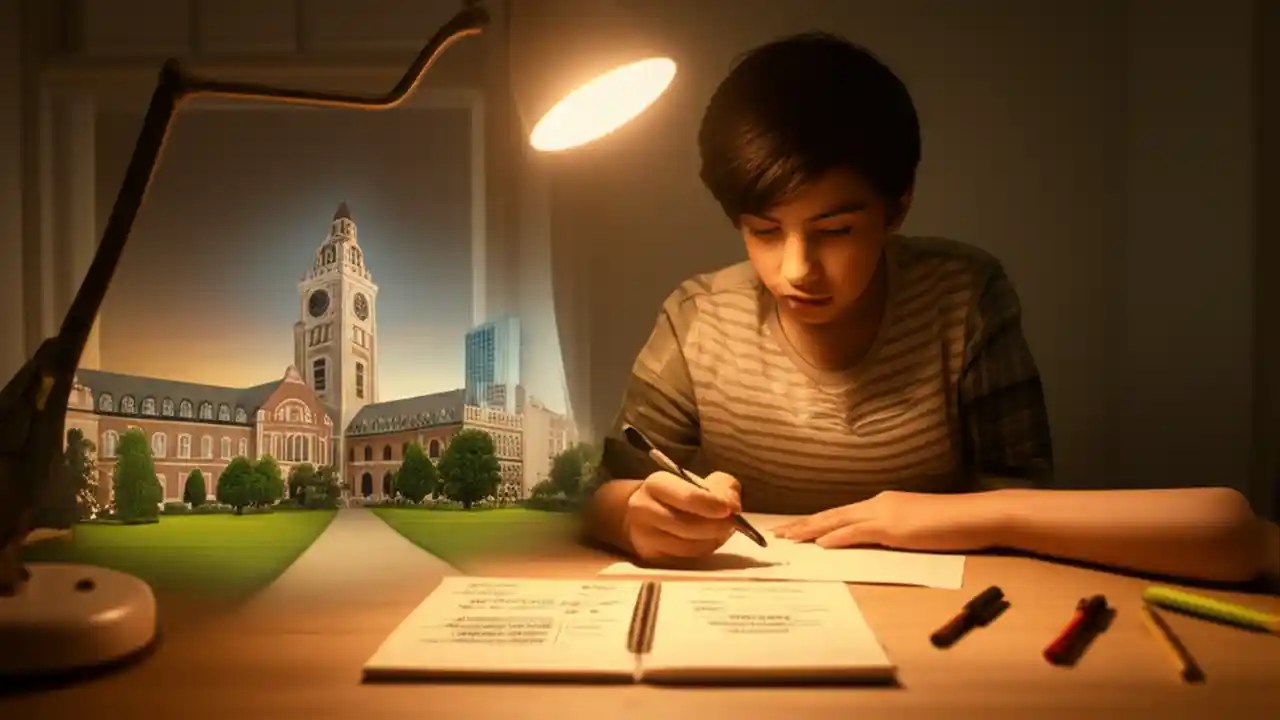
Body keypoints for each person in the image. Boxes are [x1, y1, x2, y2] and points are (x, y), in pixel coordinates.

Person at [583, 32, 1275, 584]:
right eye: (765, 231)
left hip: (949, 610)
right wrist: (636, 515)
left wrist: (926, 518)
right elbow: (608, 490)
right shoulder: (699, 319)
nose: (796, 269)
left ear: (898, 205)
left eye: (836, 230)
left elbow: (1025, 502)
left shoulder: (963, 298)